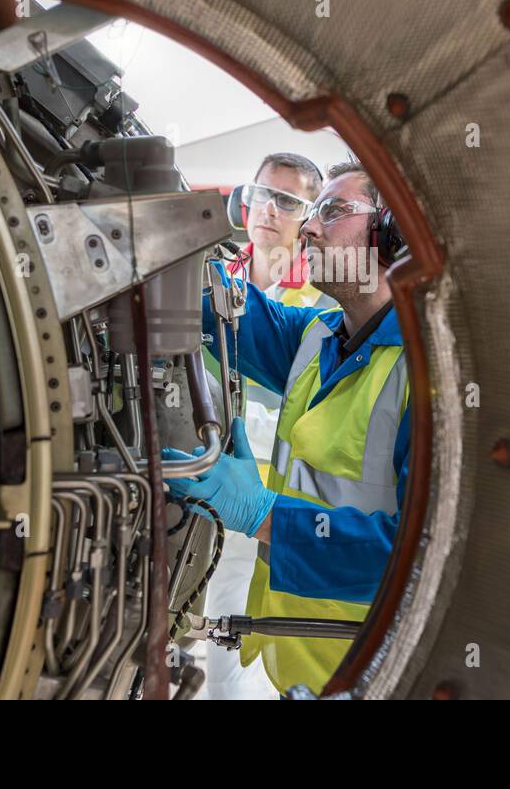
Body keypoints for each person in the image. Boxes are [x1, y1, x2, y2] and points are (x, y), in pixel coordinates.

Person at [168, 161, 410, 696]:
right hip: (300, 662)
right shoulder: (317, 335)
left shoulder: (427, 376)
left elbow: (414, 556)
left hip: (374, 671)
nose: (309, 228)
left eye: (334, 210)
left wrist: (264, 518)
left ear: (395, 231)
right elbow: (221, 307)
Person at [199, 152, 332, 699]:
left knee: (238, 633)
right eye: (261, 194)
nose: (269, 210)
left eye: (288, 201)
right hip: (201, 478)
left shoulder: (321, 306)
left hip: (265, 497)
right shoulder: (218, 278)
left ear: (310, 220)